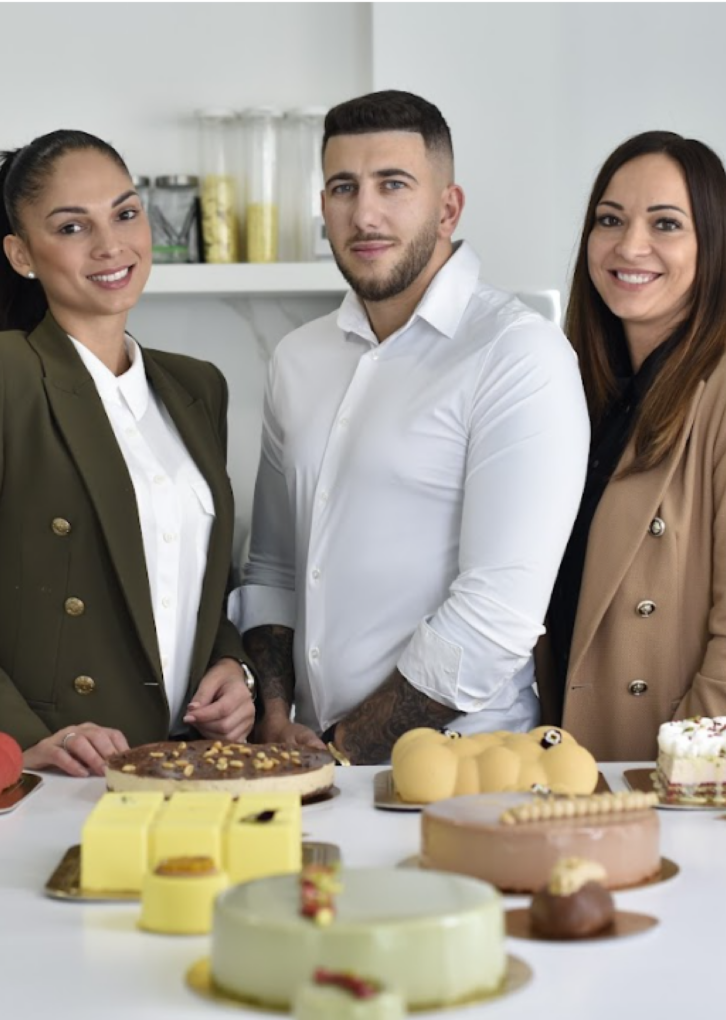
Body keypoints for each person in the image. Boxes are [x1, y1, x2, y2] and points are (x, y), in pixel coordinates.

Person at [233, 90, 589, 764]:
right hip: (306, 761)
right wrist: (277, 718)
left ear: (448, 207)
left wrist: (344, 748)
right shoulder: (297, 359)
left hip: (467, 767)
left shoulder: (519, 354)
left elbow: (496, 615)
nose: (364, 213)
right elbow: (274, 566)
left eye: (392, 185)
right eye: (344, 187)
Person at [0, 129, 255, 777]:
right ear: (22, 254)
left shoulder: (197, 386)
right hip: (65, 771)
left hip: (190, 762)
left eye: (125, 213)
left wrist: (232, 667)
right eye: (71, 227)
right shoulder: (9, 379)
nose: (111, 245)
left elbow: (200, 580)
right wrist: (21, 740)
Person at [539, 130, 726, 761]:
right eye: (609, 220)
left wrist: (678, 779)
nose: (629, 245)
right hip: (566, 763)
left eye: (666, 223)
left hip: (670, 783)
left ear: (714, 246)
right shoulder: (576, 390)